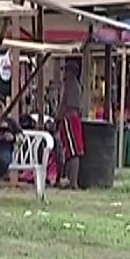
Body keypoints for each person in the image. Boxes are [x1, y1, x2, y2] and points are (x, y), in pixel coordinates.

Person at [56, 61, 85, 189]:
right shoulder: (77, 85)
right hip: (75, 118)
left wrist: (58, 117)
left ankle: (73, 182)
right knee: (72, 150)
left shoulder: (70, 85)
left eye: (66, 70)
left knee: (73, 151)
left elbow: (64, 104)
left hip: (69, 118)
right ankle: (69, 180)